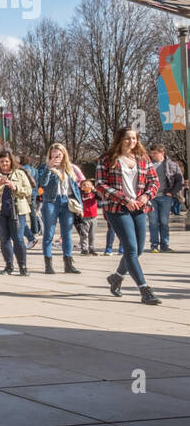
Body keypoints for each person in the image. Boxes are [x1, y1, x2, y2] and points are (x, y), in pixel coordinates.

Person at [94, 126, 160, 304]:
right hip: (117, 208)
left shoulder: (143, 158)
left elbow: (154, 181)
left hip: (139, 207)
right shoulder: (107, 159)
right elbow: (100, 184)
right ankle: (144, 289)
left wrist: (146, 196)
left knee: (138, 249)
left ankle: (117, 277)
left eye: (134, 138)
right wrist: (124, 199)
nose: (132, 142)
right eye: (128, 138)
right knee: (130, 248)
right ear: (119, 140)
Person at [0, 151, 33, 277]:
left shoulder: (20, 173)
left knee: (18, 239)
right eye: (2, 161)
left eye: (7, 161)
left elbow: (29, 190)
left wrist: (15, 187)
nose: (4, 163)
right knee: (4, 239)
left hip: (17, 210)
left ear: (11, 162)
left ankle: (23, 267)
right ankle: (9, 266)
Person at [35, 143, 83, 275]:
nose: (57, 157)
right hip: (51, 201)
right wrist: (49, 168)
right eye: (54, 155)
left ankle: (68, 264)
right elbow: (42, 184)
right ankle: (48, 265)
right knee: (49, 234)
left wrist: (80, 206)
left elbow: (75, 189)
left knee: (67, 234)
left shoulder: (69, 168)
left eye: (59, 155)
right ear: (50, 155)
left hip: (66, 202)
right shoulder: (45, 168)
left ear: (64, 155)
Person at [146, 143, 183, 253]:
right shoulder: (148, 165)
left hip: (166, 197)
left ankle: (164, 244)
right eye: (151, 153)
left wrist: (172, 192)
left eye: (155, 153)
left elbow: (179, 181)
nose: (152, 155)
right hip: (151, 197)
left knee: (164, 222)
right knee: (153, 222)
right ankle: (154, 245)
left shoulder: (172, 165)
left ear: (162, 153)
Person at [77, 180, 99, 255]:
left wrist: (94, 189)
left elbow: (100, 197)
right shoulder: (80, 194)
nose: (86, 186)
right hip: (84, 217)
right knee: (84, 234)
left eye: (88, 184)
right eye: (84, 185)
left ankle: (91, 248)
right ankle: (84, 249)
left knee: (92, 234)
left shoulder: (94, 194)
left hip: (93, 216)